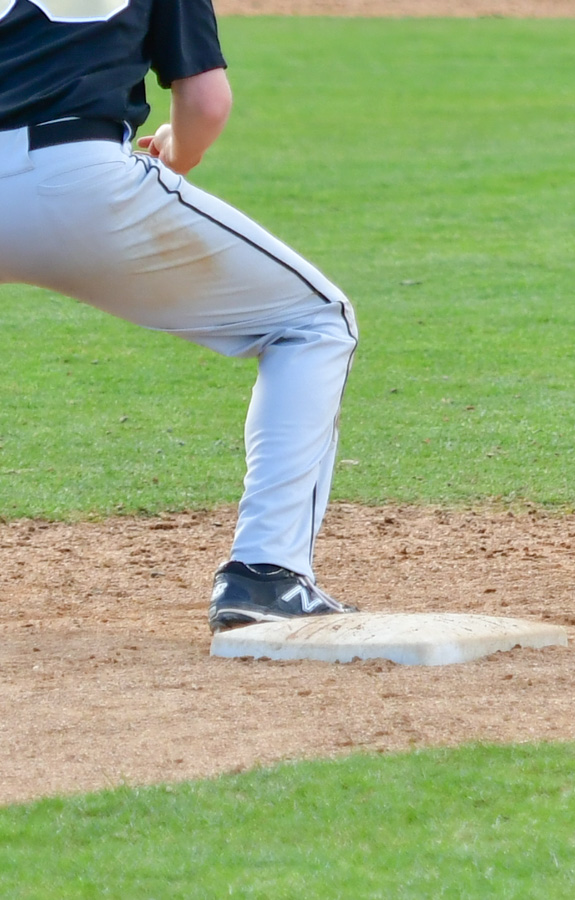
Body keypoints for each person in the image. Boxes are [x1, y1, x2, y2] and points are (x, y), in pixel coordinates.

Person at [1, 0, 361, 632]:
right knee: (315, 322)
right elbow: (205, 104)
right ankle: (267, 575)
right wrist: (180, 150)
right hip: (77, 180)